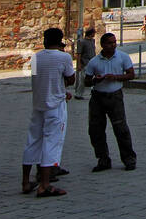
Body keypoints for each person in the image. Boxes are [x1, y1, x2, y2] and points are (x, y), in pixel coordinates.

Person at [21, 28, 74, 197]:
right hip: (55, 106)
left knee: (33, 141)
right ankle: (45, 184)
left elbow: (38, 79)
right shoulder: (64, 57)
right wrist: (61, 91)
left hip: (38, 104)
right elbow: (70, 78)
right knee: (51, 142)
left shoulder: (36, 57)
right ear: (60, 41)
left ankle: (25, 181)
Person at [84, 32, 136, 172]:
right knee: (96, 130)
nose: (113, 45)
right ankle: (103, 159)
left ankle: (129, 158)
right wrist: (96, 80)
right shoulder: (94, 62)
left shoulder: (122, 57)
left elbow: (131, 74)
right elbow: (86, 81)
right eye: (109, 43)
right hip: (98, 97)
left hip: (115, 96)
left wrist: (116, 77)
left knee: (121, 129)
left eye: (114, 42)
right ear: (102, 45)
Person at [73, 27, 97, 100]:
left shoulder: (93, 41)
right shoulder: (82, 42)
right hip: (85, 62)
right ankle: (78, 94)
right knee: (83, 79)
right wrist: (79, 64)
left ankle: (94, 93)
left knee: (95, 78)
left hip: (93, 61)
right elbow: (79, 54)